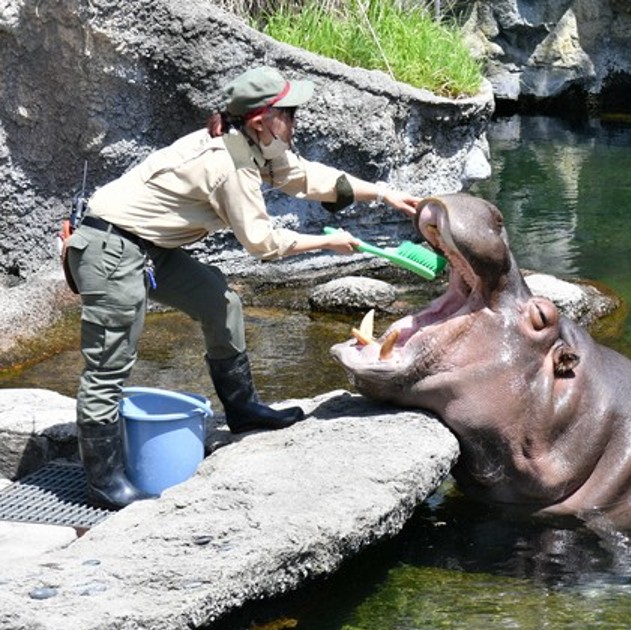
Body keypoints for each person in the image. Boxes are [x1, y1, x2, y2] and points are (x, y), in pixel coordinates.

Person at [64, 66, 421, 510]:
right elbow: (262, 243)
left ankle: (243, 411)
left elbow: (305, 176)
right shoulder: (229, 164)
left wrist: (384, 194)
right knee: (110, 362)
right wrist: (327, 242)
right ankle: (103, 481)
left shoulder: (249, 144)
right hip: (110, 248)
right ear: (260, 121)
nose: (294, 122)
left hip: (151, 248)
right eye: (288, 114)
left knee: (222, 303)